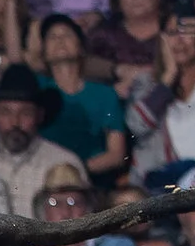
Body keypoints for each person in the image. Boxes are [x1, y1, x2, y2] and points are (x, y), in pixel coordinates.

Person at [30, 16, 126, 185]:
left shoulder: (105, 94)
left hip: (92, 181)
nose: (60, 40)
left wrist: (73, 172)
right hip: (42, 179)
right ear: (44, 51)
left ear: (81, 48)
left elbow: (116, 154)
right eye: (52, 37)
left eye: (67, 35)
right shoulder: (36, 90)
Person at [0, 64, 84, 217]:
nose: (15, 122)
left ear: (39, 115)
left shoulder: (64, 162)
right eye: (5, 112)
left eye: (25, 113)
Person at [126, 24, 195, 181]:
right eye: (172, 33)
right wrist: (168, 78)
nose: (180, 40)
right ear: (161, 39)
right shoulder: (146, 83)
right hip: (160, 186)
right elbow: (137, 125)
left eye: (187, 31)